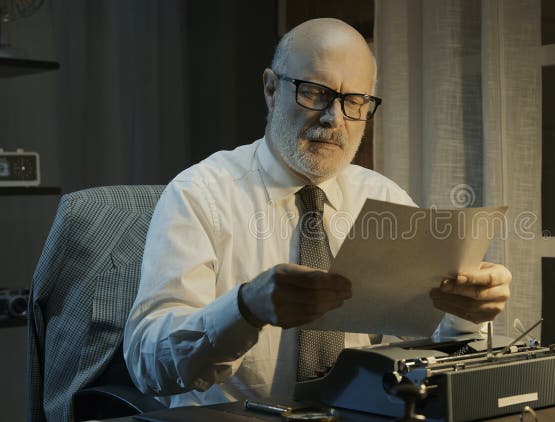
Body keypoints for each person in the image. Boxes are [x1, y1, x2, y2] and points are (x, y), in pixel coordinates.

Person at [123, 18, 512, 407]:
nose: (335, 119)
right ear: (272, 89)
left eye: (354, 101)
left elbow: (426, 344)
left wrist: (467, 310)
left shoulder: (382, 198)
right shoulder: (198, 194)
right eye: (314, 92)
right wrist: (244, 309)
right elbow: (147, 366)